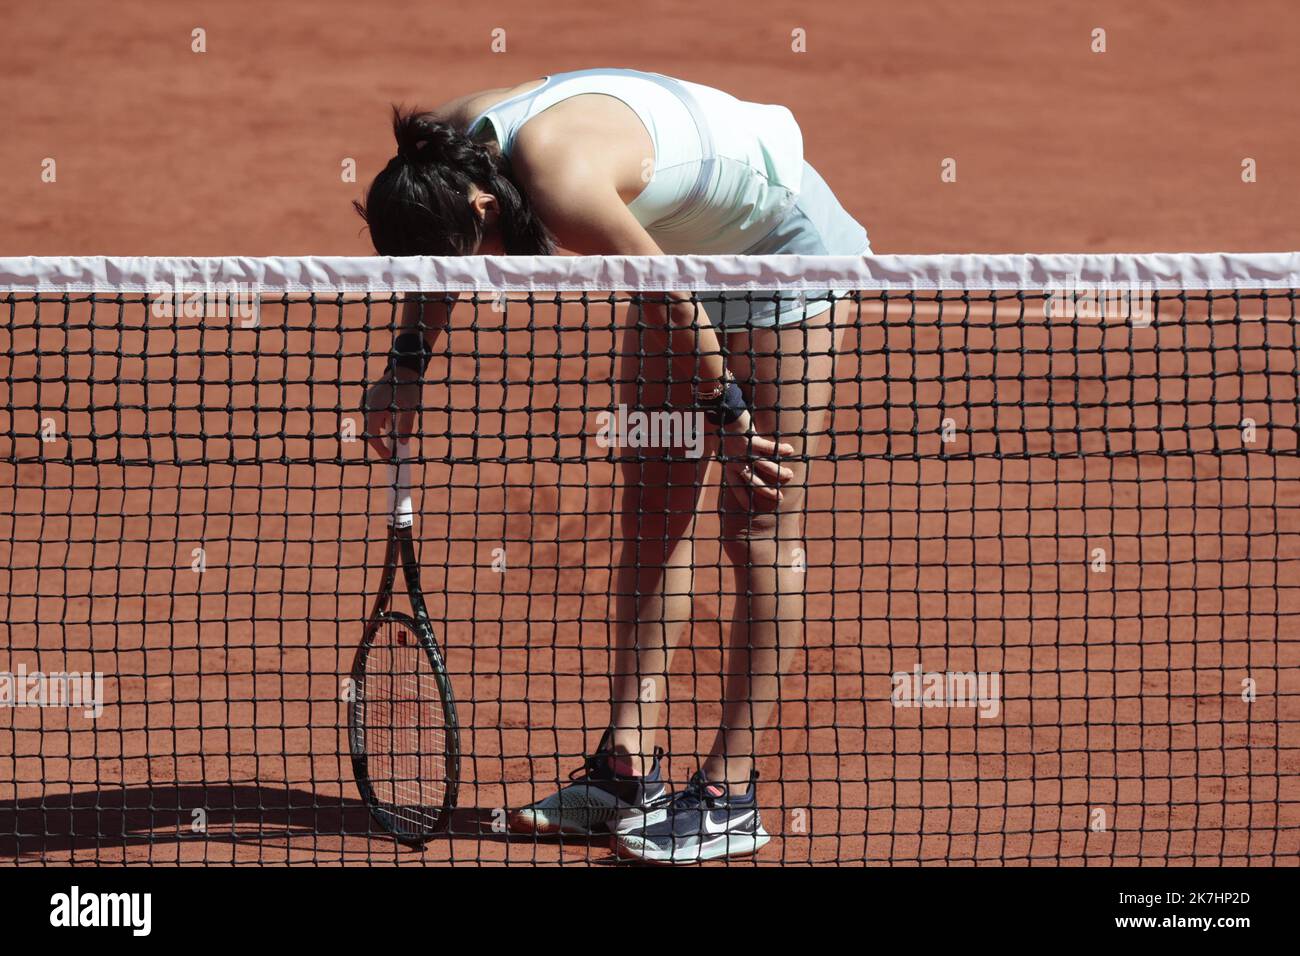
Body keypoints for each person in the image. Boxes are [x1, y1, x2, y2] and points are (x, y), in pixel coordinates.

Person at [357, 68, 870, 864]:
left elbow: (666, 294)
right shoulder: (449, 155)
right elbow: (442, 265)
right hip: (676, 256)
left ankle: (730, 796)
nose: (480, 272)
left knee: (759, 518)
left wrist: (732, 417)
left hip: (780, 253)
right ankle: (626, 771)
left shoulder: (559, 179)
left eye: (475, 251)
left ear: (483, 208)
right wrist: (407, 364)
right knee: (653, 507)